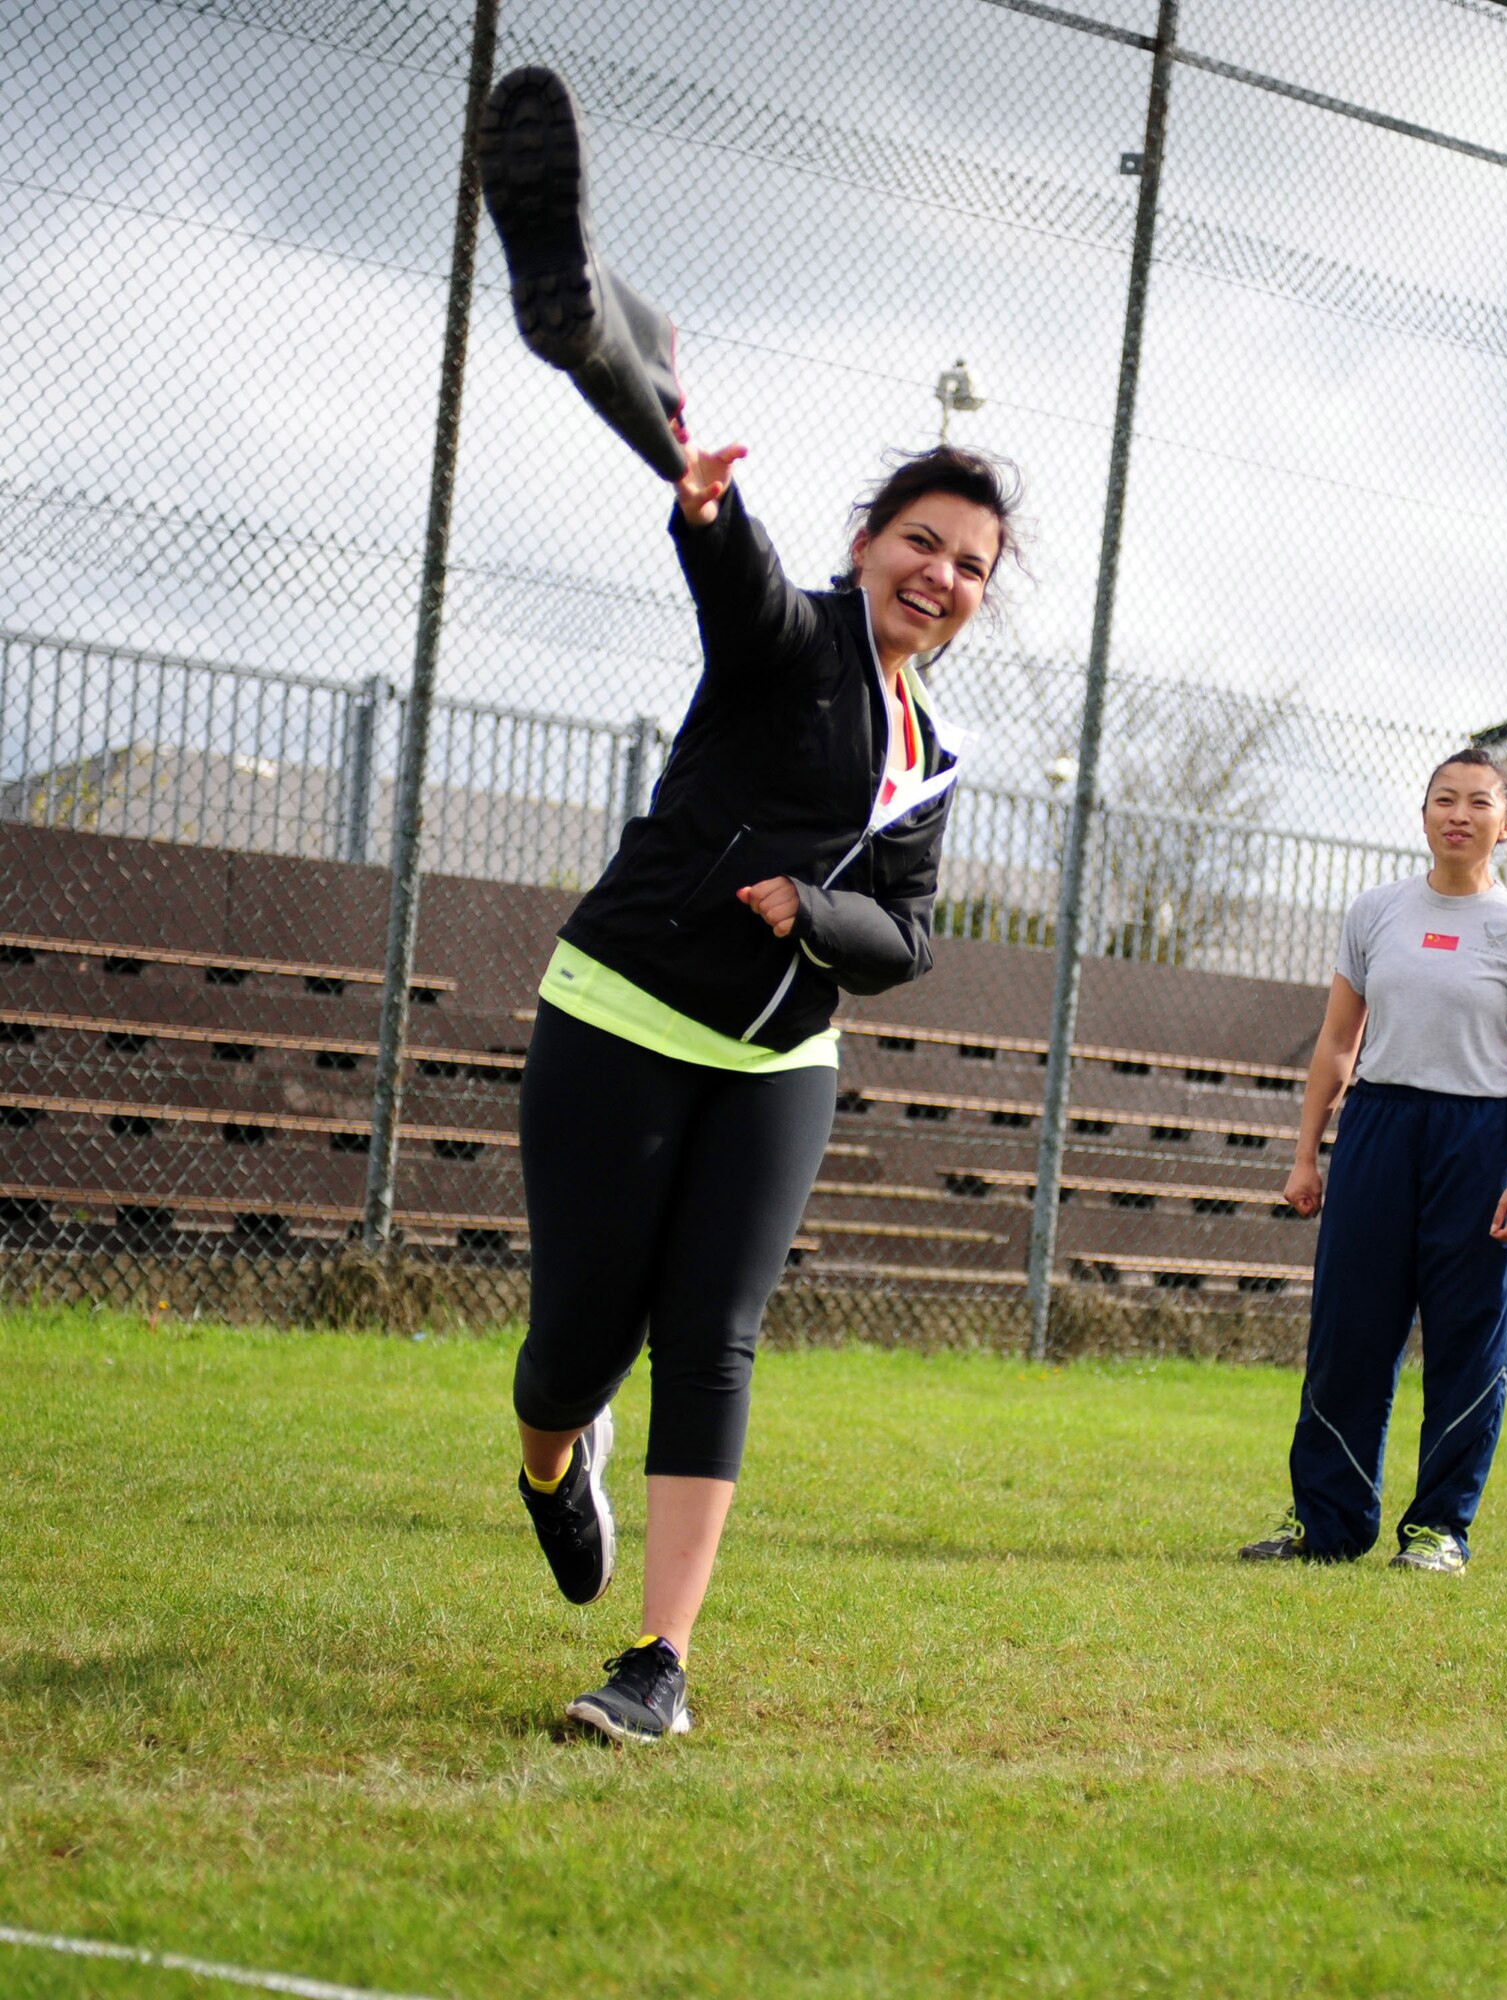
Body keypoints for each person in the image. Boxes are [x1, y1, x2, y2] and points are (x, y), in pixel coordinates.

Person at [476, 66, 1023, 1739]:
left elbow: (906, 945)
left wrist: (811, 910)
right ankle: (553, 1467)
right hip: (624, 1012)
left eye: (971, 567)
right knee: (577, 1345)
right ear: (868, 542)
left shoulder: (934, 754)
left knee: (710, 1339)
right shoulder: (788, 636)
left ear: (981, 603)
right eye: (921, 542)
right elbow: (729, 562)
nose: (940, 574)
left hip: (778, 1068)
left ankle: (658, 1670)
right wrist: (698, 491)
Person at [1240, 747, 1507, 1572]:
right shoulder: (1375, 912)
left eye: (1478, 802)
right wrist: (1306, 1154)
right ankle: (1327, 1522)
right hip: (1379, 1130)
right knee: (1349, 1332)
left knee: (1468, 1339)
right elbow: (1336, 1044)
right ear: (1423, 816)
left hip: (1480, 1139)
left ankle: (1439, 1529)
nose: (1460, 814)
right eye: (1443, 800)